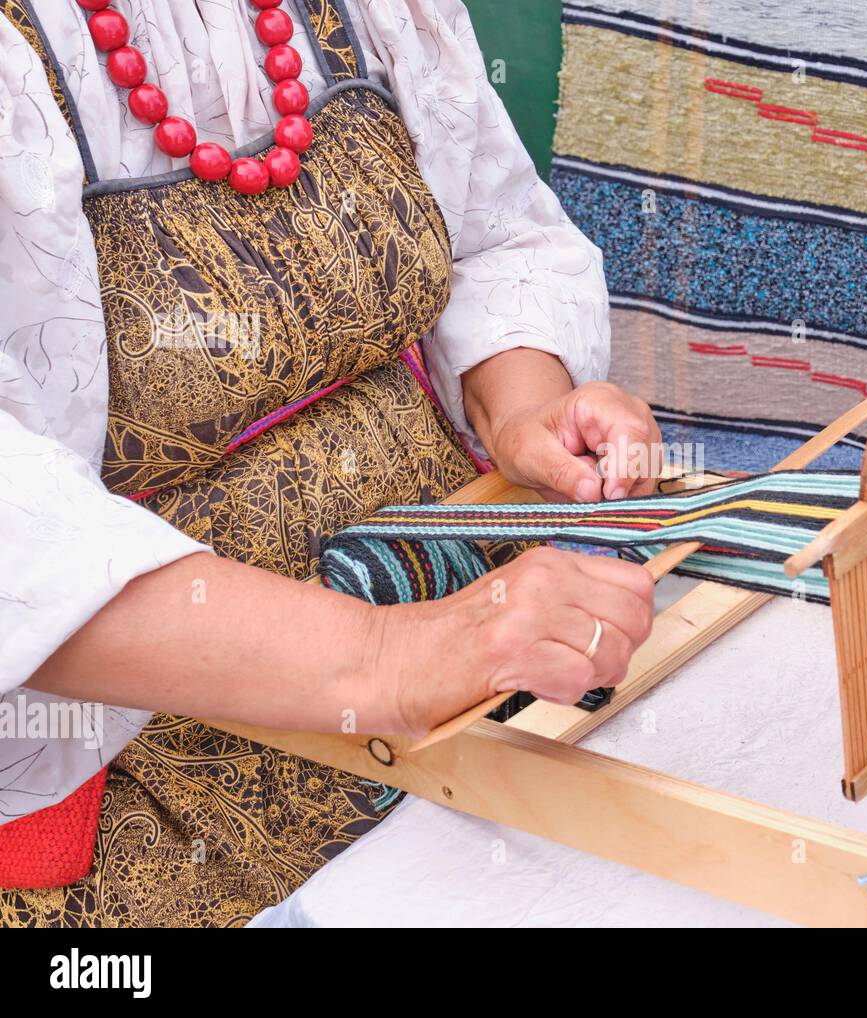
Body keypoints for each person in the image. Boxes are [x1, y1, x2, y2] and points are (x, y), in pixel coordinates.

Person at [0, 0, 659, 926]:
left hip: (478, 641)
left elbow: (493, 235)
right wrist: (387, 657)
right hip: (167, 771)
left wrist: (523, 405)